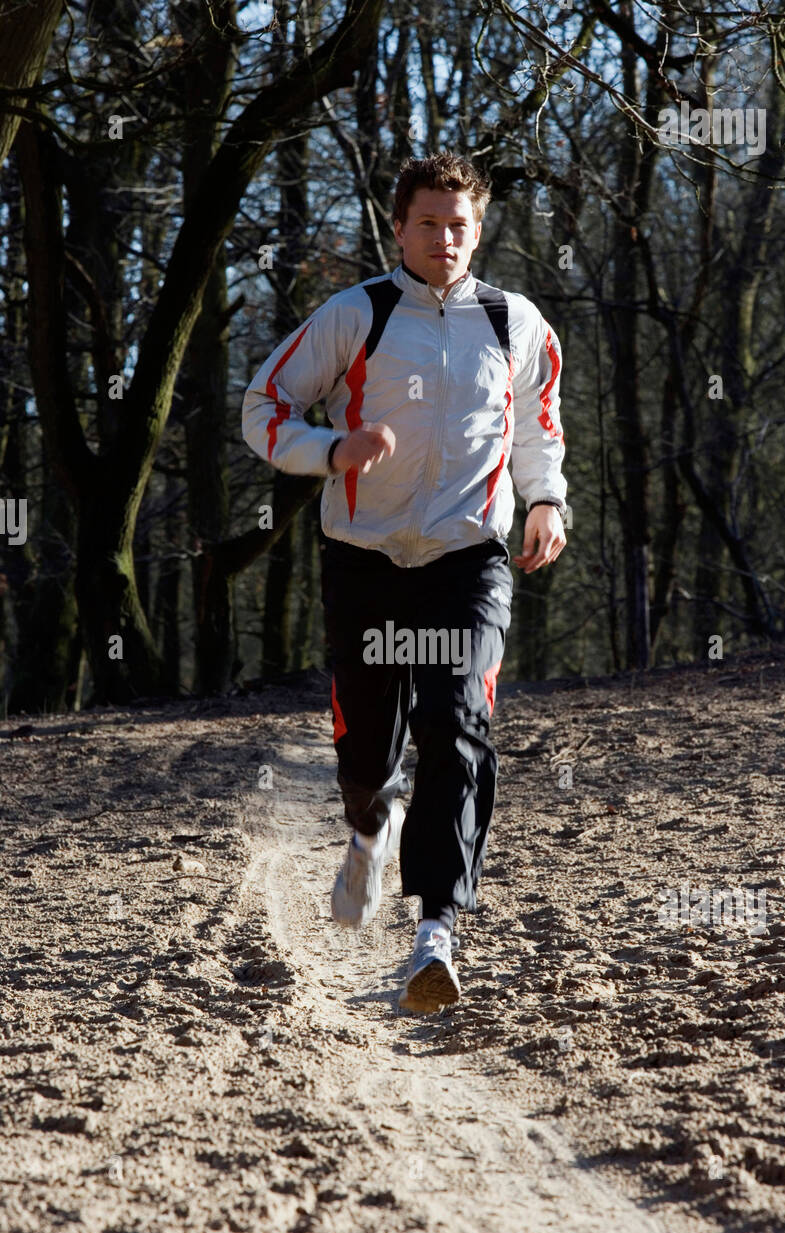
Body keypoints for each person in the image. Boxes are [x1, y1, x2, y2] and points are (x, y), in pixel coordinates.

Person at [243, 152, 567, 1013]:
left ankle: (436, 933)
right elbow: (263, 404)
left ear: (480, 229)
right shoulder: (358, 316)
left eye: (460, 224)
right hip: (366, 554)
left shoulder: (516, 321)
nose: (445, 238)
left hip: (470, 558)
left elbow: (537, 428)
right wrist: (328, 451)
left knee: (459, 720)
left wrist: (545, 501)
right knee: (368, 740)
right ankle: (367, 827)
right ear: (399, 226)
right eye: (428, 222)